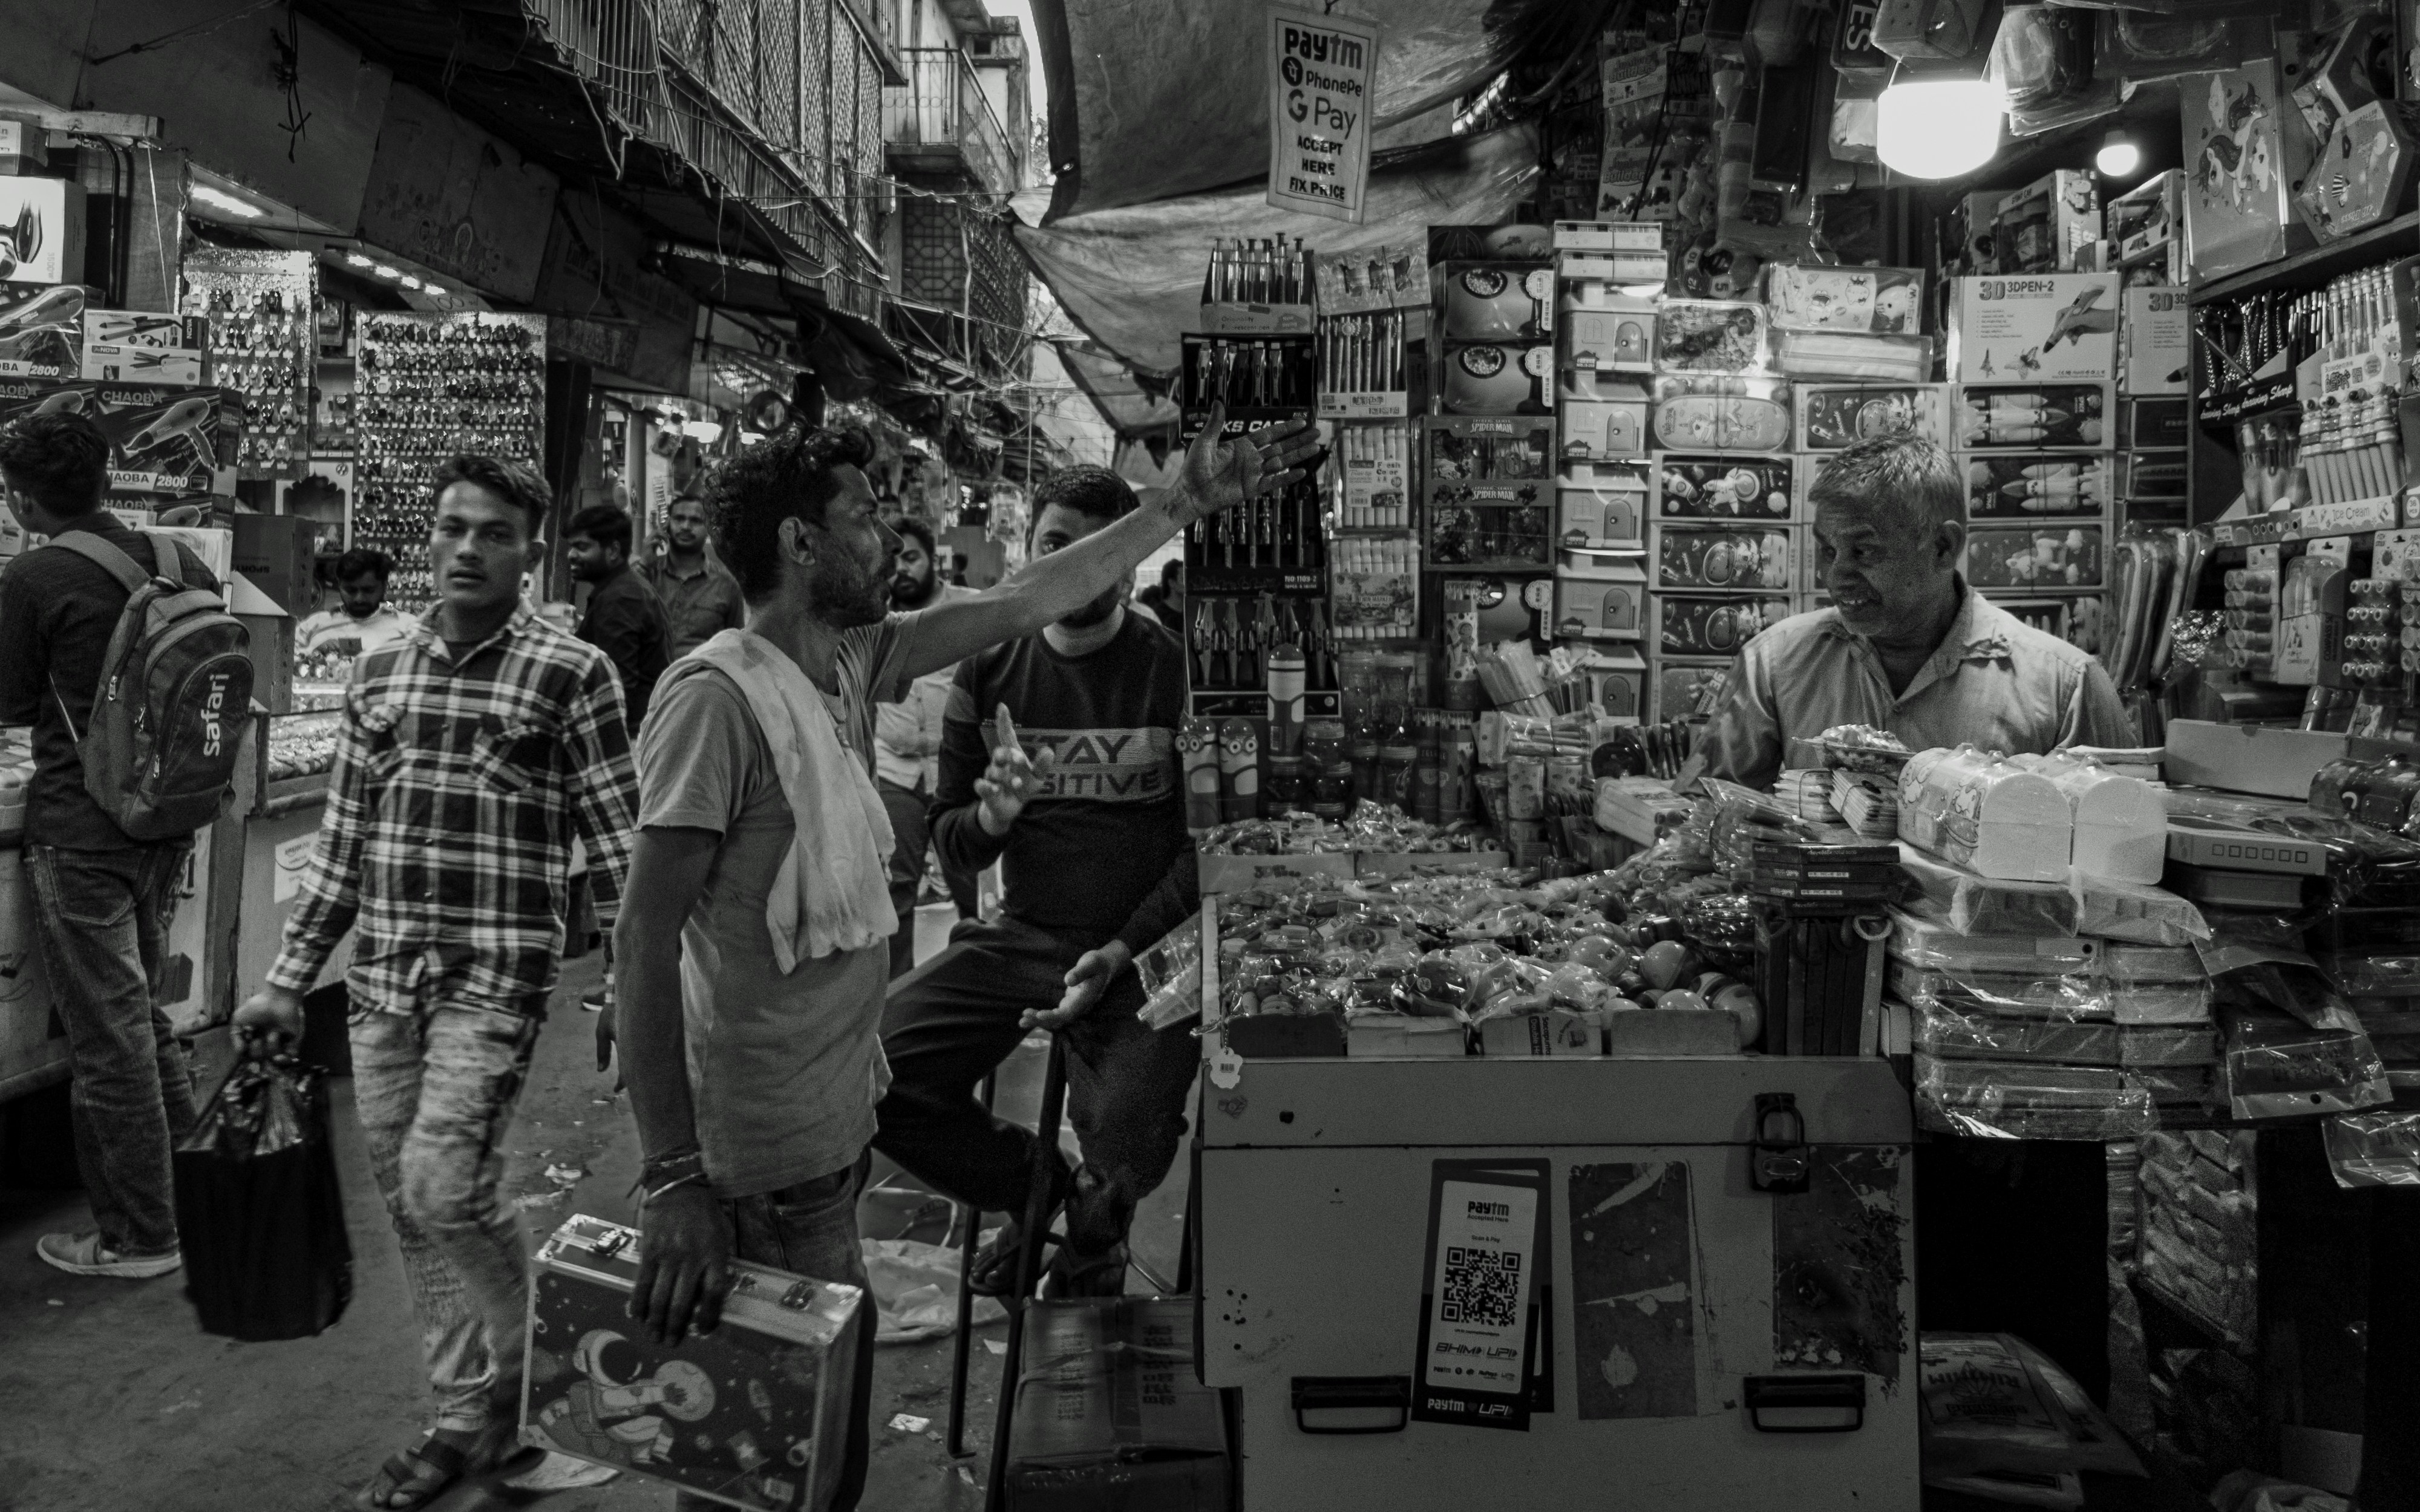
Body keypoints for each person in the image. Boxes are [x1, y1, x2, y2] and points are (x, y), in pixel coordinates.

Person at [606, 409, 1316, 1512]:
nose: (889, 535)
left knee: (812, 1456)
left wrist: (1174, 507)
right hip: (748, 1166)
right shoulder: (714, 699)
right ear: (800, 545)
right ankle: (1044, 1201)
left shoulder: (851, 664)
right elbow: (642, 941)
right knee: (760, 1468)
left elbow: (1023, 598)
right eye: (860, 515)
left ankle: (1070, 1211)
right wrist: (671, 1178)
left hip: (825, 1138)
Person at [234, 455, 641, 1510]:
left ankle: (533, 1382)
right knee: (416, 1215)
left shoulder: (573, 673)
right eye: (453, 528)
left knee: (445, 1187)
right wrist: (286, 978)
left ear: (530, 551)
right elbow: (343, 845)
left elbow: (622, 848)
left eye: (494, 533)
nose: (468, 548)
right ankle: (468, 1420)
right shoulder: (382, 673)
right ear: (432, 539)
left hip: (494, 984)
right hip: (383, 987)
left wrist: (644, 990)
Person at [875, 466, 1200, 1300]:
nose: (1075, 569)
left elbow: (1207, 849)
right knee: (867, 1075)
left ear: (1128, 565)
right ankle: (1042, 1189)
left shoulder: (1175, 670)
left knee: (1129, 1134)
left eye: (1098, 552)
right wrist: (991, 821)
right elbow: (954, 844)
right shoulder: (986, 669)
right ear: (1028, 555)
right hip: (1022, 941)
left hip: (1145, 953)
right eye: (1057, 548)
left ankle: (1097, 1227)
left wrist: (1125, 947)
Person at [0, 411, 218, 1280]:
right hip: (167, 821)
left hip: (81, 832)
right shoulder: (176, 560)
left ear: (20, 496)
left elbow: (13, 705)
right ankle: (186, 1203)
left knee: (110, 1040)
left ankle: (140, 1236)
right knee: (141, 1023)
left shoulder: (33, 575)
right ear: (106, 478)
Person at [1685, 433, 2133, 790]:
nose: (1837, 576)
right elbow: (1705, 821)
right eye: (1827, 551)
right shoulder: (1774, 663)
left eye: (1864, 551)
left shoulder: (2066, 687)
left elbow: (2119, 860)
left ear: (1943, 548)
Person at [874, 515, 976, 975]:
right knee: (895, 890)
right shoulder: (869, 618)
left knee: (973, 889)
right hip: (894, 771)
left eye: (910, 557)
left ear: (932, 559)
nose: (901, 569)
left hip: (957, 771)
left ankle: (986, 986)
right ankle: (894, 1001)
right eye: (891, 559)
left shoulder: (968, 613)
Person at [566, 503, 672, 731]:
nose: (571, 555)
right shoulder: (625, 587)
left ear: (613, 551)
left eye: (582, 547)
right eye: (571, 547)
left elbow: (616, 688)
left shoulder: (620, 599)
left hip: (628, 735)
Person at [640, 491, 745, 656]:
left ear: (709, 528)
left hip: (699, 677)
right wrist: (644, 564)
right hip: (647, 679)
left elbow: (736, 648)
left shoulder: (726, 584)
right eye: (679, 519)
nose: (686, 527)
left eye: (695, 521)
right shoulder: (647, 574)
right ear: (667, 524)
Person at [298, 547, 409, 656]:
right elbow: (285, 662)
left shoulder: (406, 627)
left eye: (368, 590)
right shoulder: (314, 624)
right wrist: (313, 653)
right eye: (350, 590)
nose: (359, 599)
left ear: (385, 586)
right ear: (339, 584)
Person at [1135, 556, 1183, 631]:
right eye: (1183, 579)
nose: (1189, 582)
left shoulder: (1190, 612)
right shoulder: (1158, 616)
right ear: (1172, 583)